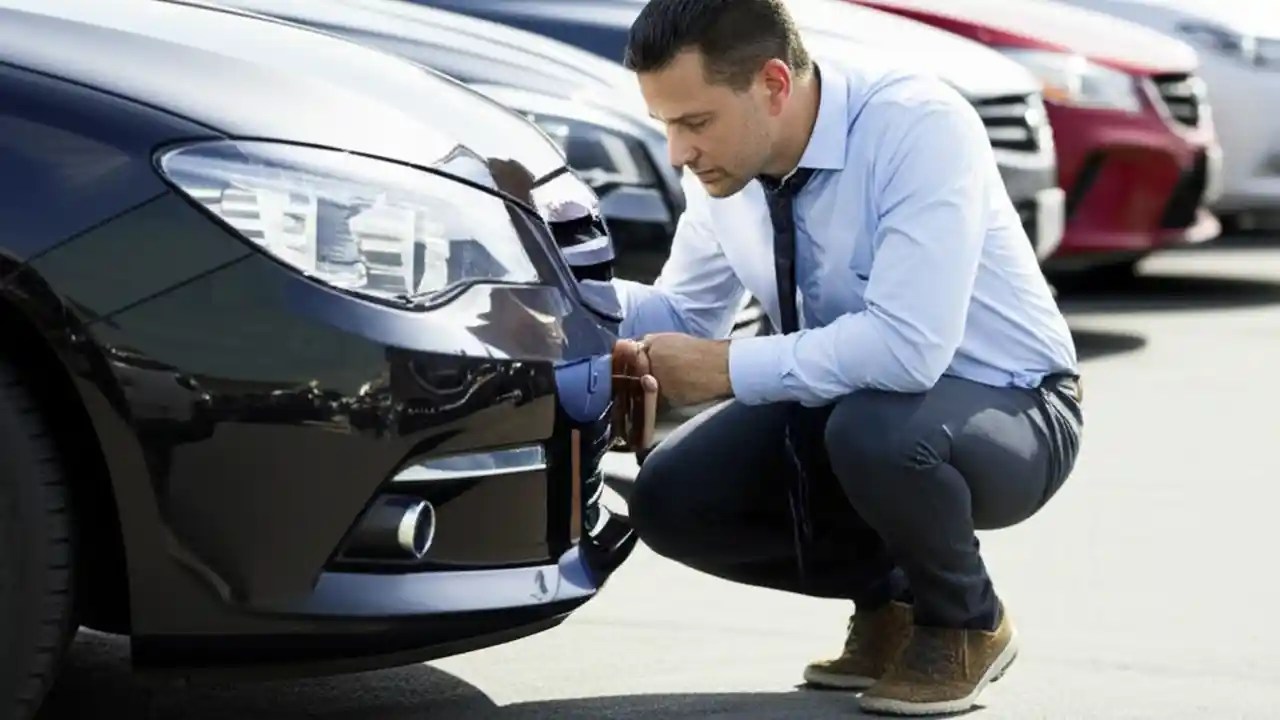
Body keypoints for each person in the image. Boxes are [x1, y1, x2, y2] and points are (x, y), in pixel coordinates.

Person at [605, 0, 1085, 716]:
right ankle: (889, 604)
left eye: (695, 123)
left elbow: (907, 348)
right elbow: (683, 317)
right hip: (851, 402)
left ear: (772, 84)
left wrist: (727, 367)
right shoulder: (723, 169)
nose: (678, 152)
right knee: (669, 500)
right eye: (667, 126)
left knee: (873, 431)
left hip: (1013, 406)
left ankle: (966, 621)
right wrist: (562, 297)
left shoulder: (916, 126)